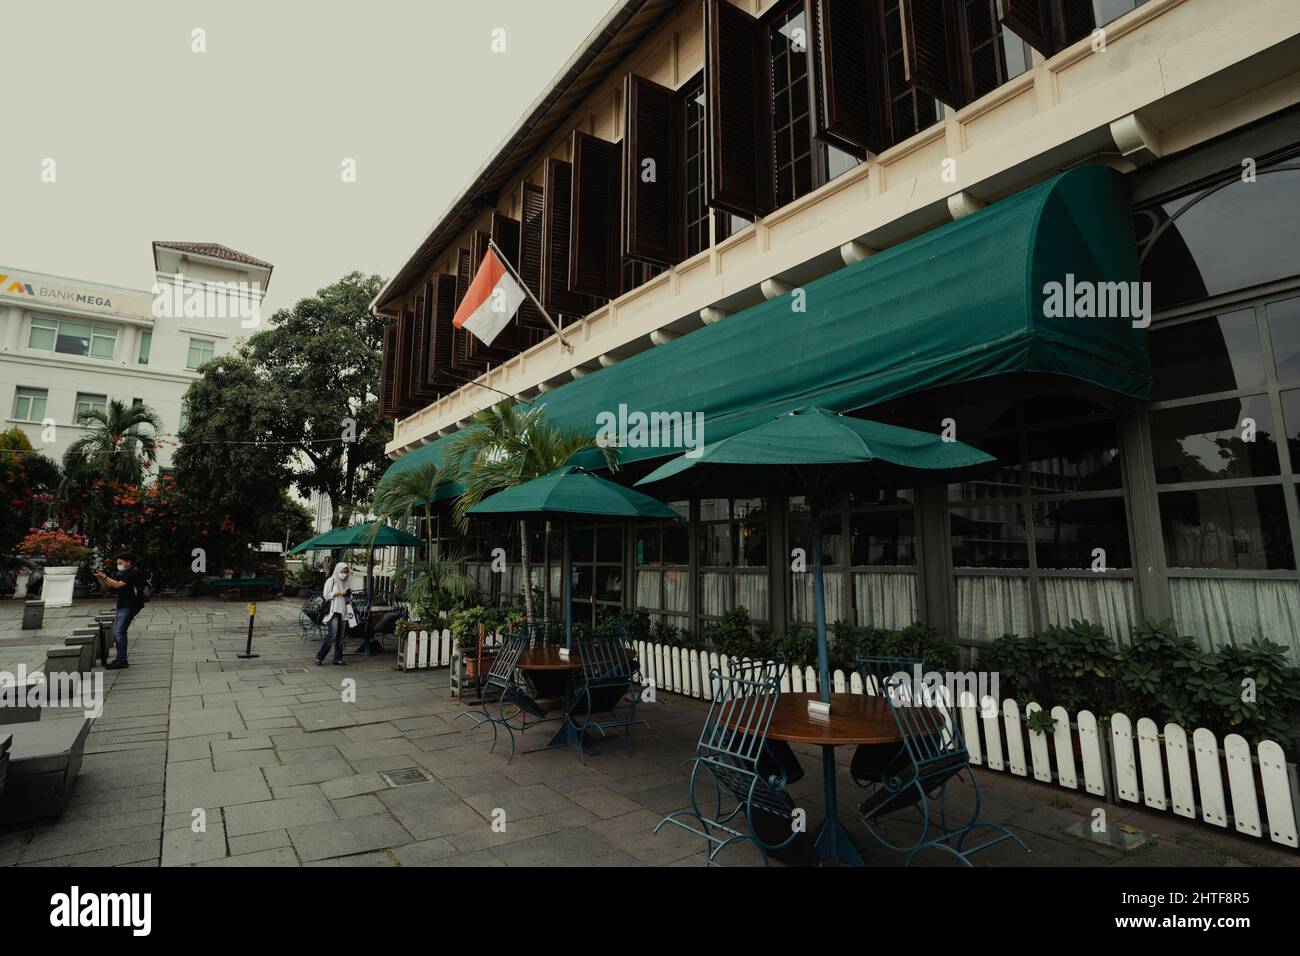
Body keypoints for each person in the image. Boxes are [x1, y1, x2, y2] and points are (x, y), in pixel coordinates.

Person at [93, 553, 147, 670]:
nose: (118, 565)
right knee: (120, 632)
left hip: (131, 605)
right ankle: (120, 659)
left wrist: (105, 577)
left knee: (119, 632)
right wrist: (101, 578)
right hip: (123, 604)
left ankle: (122, 661)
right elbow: (109, 588)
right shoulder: (122, 573)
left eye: (120, 563)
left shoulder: (134, 572)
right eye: (117, 563)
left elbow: (117, 585)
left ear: (128, 562)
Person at [316, 561, 354, 666]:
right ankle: (320, 656)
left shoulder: (346, 582)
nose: (344, 573)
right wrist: (338, 593)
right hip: (333, 611)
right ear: (337, 570)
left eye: (346, 571)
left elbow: (349, 596)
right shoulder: (331, 580)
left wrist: (349, 598)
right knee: (332, 634)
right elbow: (326, 595)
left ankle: (338, 658)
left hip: (343, 611)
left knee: (341, 637)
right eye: (343, 571)